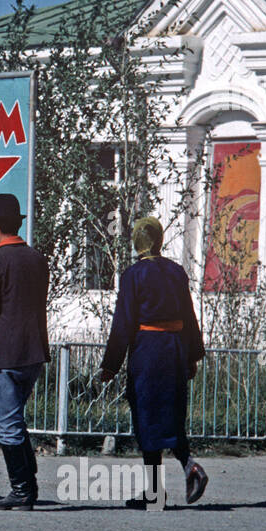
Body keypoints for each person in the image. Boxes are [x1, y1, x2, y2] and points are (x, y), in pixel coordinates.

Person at [98, 217, 209, 507]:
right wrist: (192, 355)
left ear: (136, 242)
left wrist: (110, 364)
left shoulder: (133, 275)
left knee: (146, 418)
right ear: (159, 240)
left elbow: (123, 324)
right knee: (171, 414)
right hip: (174, 349)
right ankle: (187, 467)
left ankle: (156, 491)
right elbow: (189, 316)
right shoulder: (176, 272)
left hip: (147, 352)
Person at [0, 193, 50, 510]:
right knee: (15, 419)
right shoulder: (37, 259)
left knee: (7, 424)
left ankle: (22, 490)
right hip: (34, 352)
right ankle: (29, 485)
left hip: (5, 353)